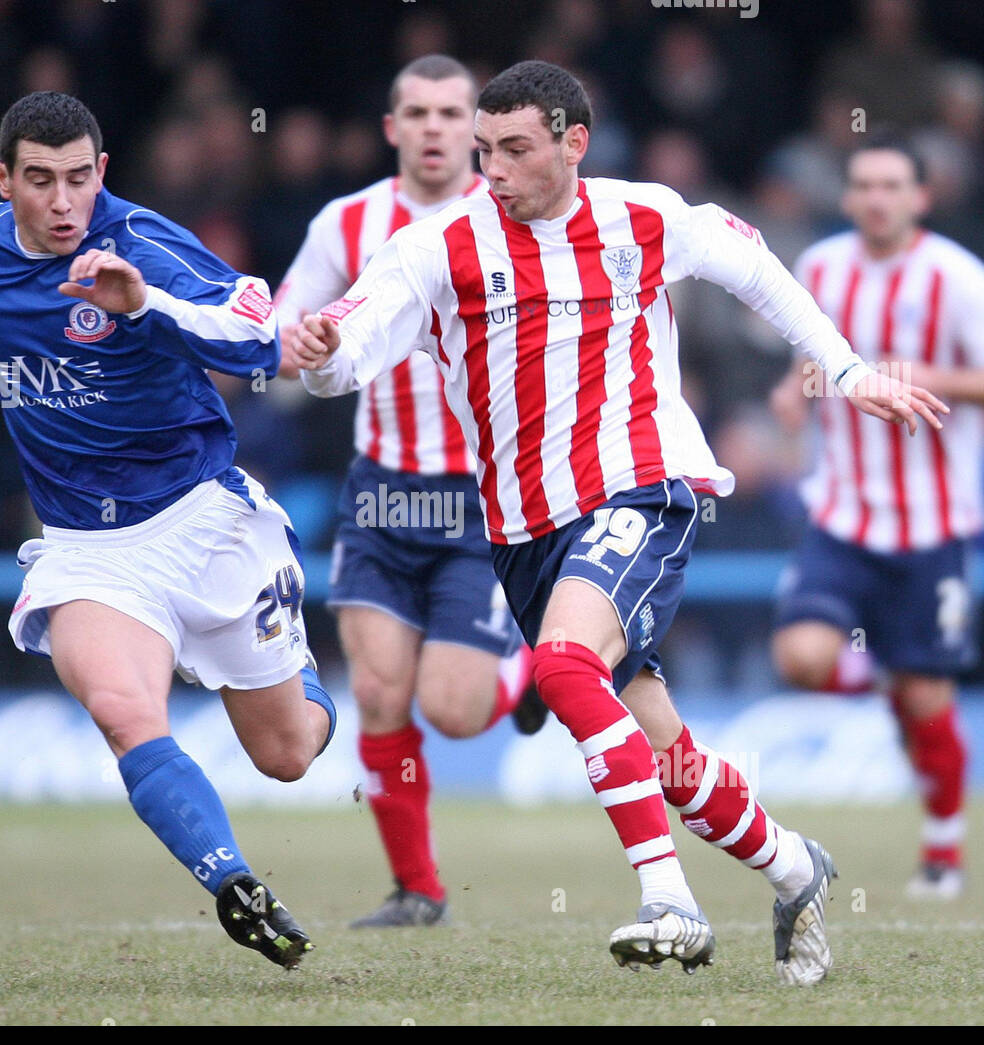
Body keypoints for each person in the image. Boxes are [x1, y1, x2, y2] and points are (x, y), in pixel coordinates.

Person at [293, 61, 948, 985]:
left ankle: (668, 903)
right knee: (671, 760)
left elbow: (759, 273)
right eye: (485, 153)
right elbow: (346, 355)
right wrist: (320, 356)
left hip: (642, 488)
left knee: (561, 667)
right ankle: (797, 868)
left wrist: (844, 372)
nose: (496, 172)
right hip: (523, 533)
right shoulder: (437, 246)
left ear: (573, 144)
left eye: (516, 150)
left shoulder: (643, 216)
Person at [0, 91, 337, 969]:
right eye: (40, 182)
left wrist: (144, 304)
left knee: (288, 754)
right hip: (88, 548)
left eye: (80, 178)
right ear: (5, 182)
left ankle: (305, 676)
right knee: (121, 710)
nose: (64, 201)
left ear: (102, 171)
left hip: (203, 520)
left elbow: (256, 337)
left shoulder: (145, 246)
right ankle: (232, 882)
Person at [274, 54, 544, 929]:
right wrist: (298, 341)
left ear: (475, 129)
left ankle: (534, 671)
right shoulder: (346, 223)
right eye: (416, 112)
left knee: (454, 712)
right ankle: (419, 890)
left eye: (449, 113)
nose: (433, 128)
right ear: (393, 128)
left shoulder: (511, 221)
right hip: (382, 494)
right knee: (382, 695)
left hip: (479, 498)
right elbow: (283, 325)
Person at [769, 132, 984, 900]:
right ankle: (879, 676)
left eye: (892, 185)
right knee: (801, 657)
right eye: (863, 184)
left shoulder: (958, 279)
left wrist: (932, 375)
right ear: (848, 194)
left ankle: (944, 851)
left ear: (921, 197)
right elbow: (806, 357)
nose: (876, 198)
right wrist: (797, 393)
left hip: (933, 529)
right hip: (843, 517)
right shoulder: (821, 267)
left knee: (929, 701)